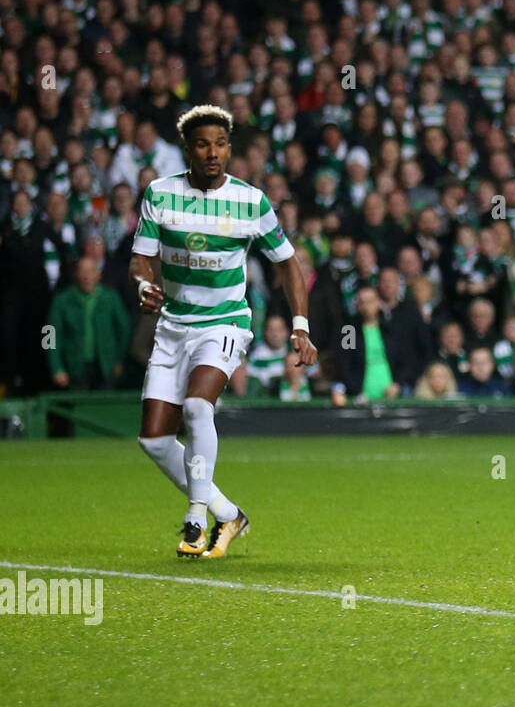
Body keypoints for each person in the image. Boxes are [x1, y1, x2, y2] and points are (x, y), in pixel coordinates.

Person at [129, 105, 317, 558]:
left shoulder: (251, 201)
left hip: (226, 322)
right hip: (174, 326)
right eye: (202, 144)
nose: (212, 153)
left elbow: (289, 263)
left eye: (220, 144)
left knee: (197, 406)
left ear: (229, 149)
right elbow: (142, 258)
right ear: (187, 149)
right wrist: (143, 284)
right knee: (153, 439)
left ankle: (195, 518)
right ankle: (228, 513)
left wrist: (300, 326)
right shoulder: (160, 193)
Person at [46, 255, 132, 390]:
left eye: (91, 271)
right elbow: (49, 333)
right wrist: (56, 367)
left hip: (105, 366)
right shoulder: (62, 300)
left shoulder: (110, 297)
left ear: (98, 275)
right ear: (76, 274)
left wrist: (119, 360)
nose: (86, 277)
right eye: (82, 271)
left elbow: (124, 328)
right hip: (74, 367)